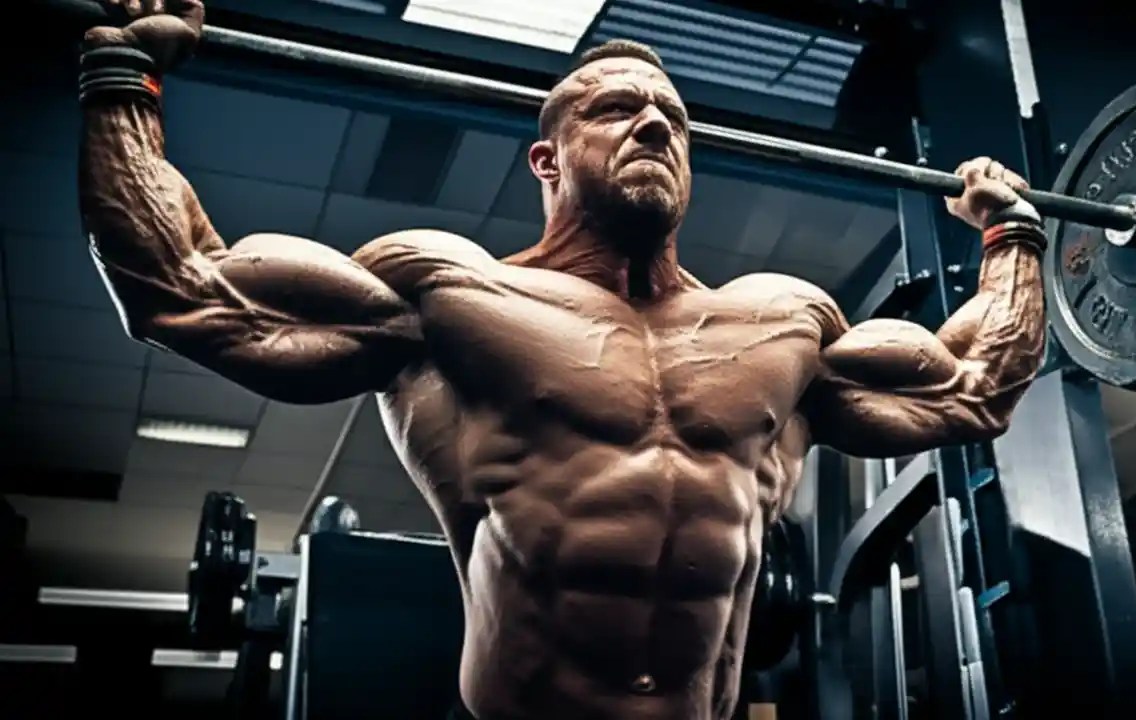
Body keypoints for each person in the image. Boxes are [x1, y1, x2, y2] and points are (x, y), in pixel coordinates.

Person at [76, 2, 1047, 718]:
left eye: (670, 118)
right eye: (617, 110)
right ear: (546, 162)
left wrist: (1012, 235)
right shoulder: (449, 298)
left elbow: (969, 389)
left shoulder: (782, 324)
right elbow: (188, 291)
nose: (656, 126)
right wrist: (123, 76)